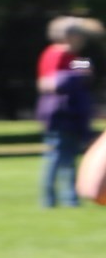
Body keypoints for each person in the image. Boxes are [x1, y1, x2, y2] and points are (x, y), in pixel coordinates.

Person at [36, 16, 100, 208]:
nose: (82, 39)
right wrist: (78, 73)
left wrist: (84, 68)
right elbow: (50, 83)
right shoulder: (57, 53)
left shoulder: (72, 57)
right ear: (69, 35)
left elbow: (88, 69)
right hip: (60, 112)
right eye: (79, 34)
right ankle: (49, 199)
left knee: (70, 157)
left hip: (72, 112)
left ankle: (70, 198)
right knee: (57, 157)